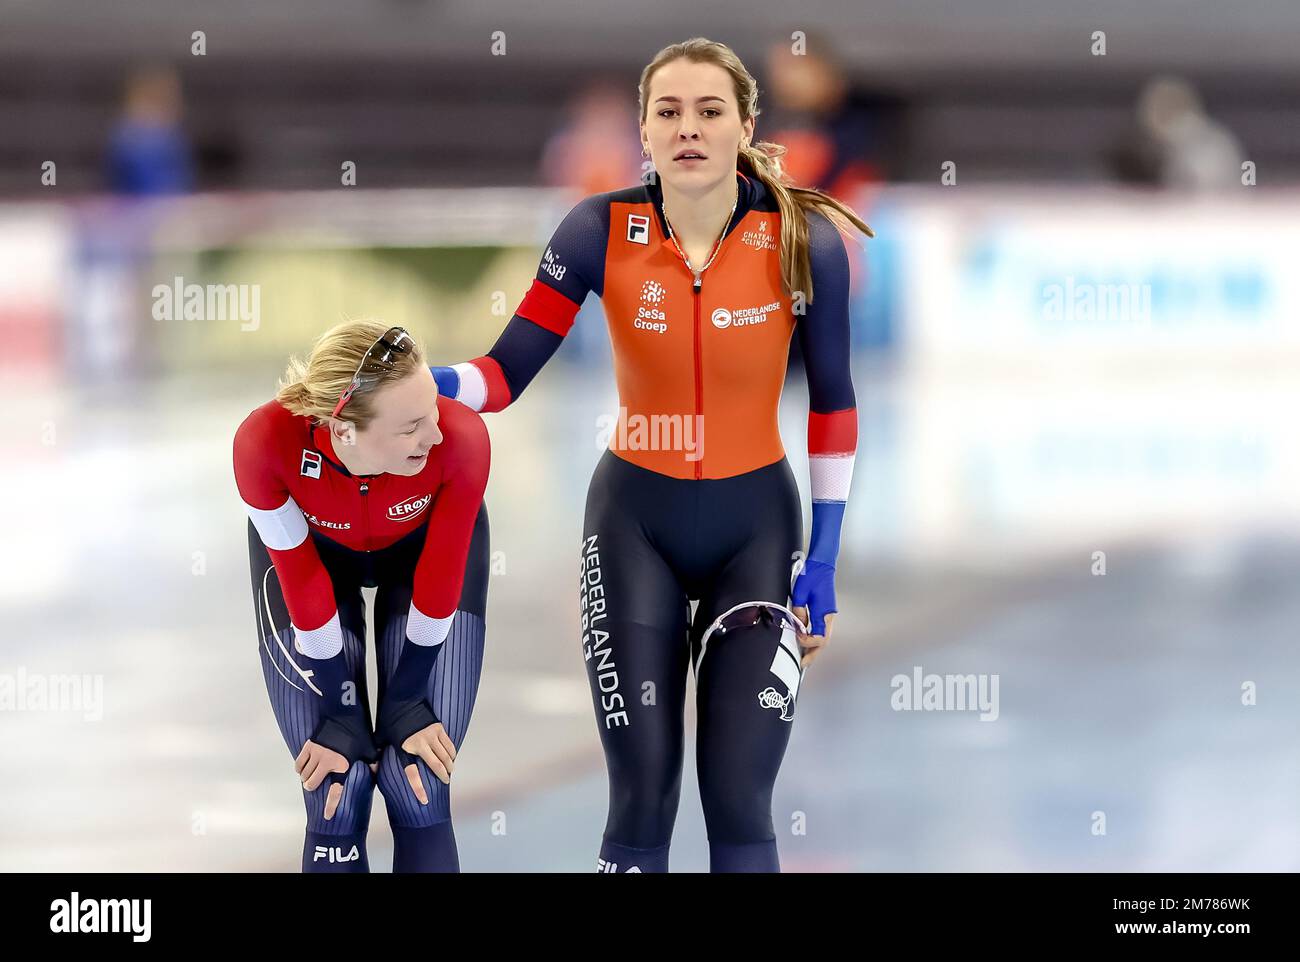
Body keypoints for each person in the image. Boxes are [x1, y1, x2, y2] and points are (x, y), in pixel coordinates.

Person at [431, 38, 871, 872]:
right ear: (642, 129)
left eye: (710, 111)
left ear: (745, 125)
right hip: (635, 528)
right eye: (668, 111)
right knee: (641, 793)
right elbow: (501, 374)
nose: (689, 128)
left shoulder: (800, 240)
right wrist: (427, 383)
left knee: (741, 799)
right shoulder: (598, 229)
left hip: (757, 536)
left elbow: (835, 405)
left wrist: (825, 556)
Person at [233, 320, 490, 872]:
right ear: (344, 427)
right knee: (336, 787)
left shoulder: (463, 439)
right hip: (315, 566)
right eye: (413, 426)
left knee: (415, 779)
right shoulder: (264, 444)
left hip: (420, 561)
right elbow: (302, 581)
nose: (437, 435)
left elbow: (442, 575)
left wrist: (408, 697)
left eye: (434, 412)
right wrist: (339, 708)